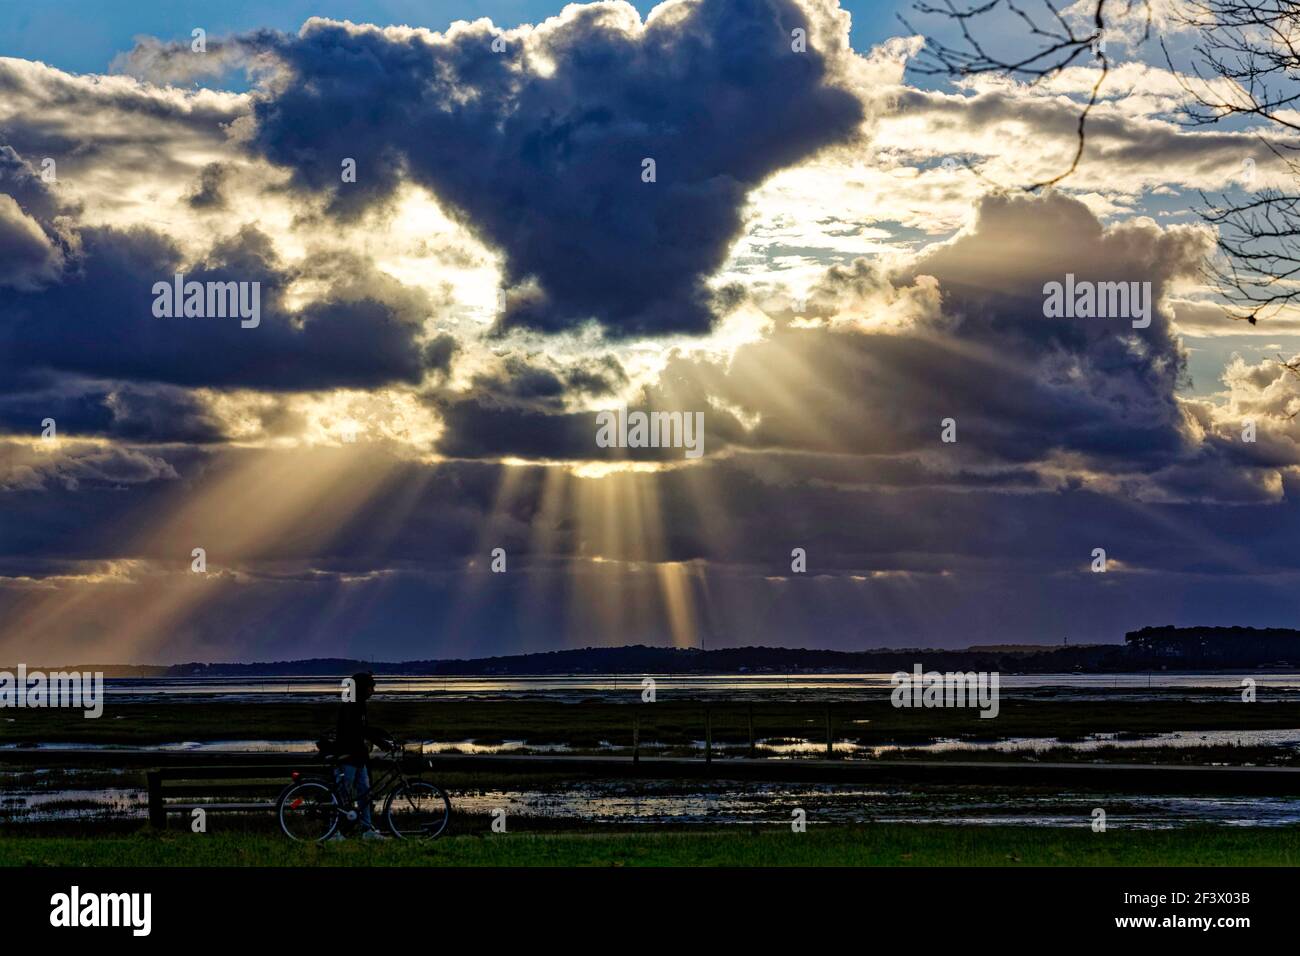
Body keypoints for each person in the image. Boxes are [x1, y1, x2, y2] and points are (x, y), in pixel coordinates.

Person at [332, 671, 394, 840]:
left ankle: (367, 829)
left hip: (357, 755)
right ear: (361, 688)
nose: (373, 691)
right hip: (348, 755)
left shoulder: (356, 703)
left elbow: (364, 727)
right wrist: (381, 741)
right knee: (344, 794)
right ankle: (335, 830)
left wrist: (382, 735)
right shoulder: (352, 704)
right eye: (371, 687)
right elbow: (358, 729)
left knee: (364, 792)